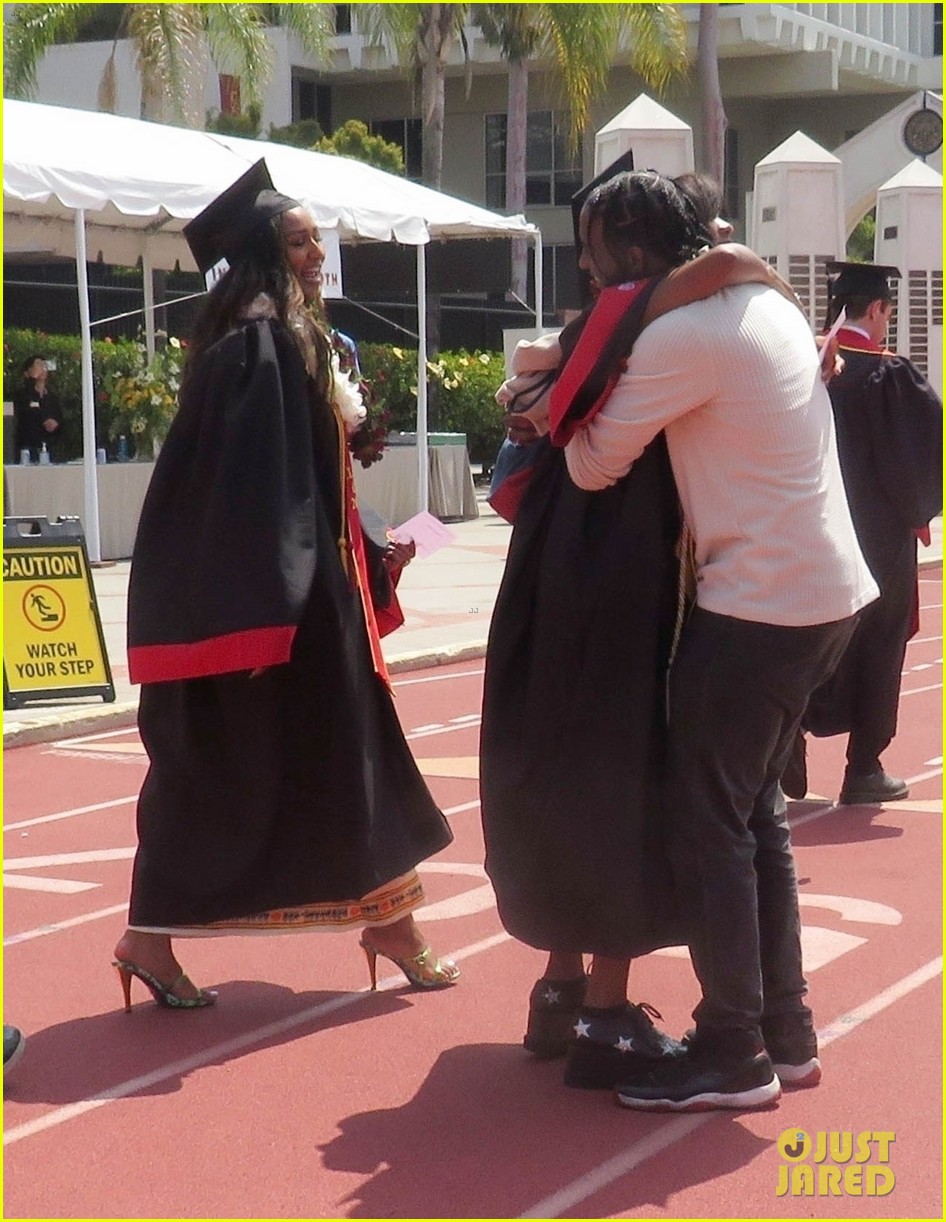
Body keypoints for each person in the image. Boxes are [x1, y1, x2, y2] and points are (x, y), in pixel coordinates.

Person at [481, 170, 803, 1091]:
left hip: (549, 583)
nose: (583, 261)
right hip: (628, 589)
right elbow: (603, 467)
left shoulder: (598, 334)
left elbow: (536, 418)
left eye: (590, 243)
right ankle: (607, 1015)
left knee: (562, 765)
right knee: (624, 779)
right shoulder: (654, 331)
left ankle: (560, 986)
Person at [563, 176, 879, 1112]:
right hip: (825, 596)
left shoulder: (681, 335)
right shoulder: (761, 304)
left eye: (593, 248)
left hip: (758, 609)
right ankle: (785, 1034)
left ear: (633, 248)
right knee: (755, 821)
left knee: (713, 829)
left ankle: (731, 1047)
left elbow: (593, 464)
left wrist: (550, 406)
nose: (585, 266)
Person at [113, 160, 458, 1010]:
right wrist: (273, 612)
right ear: (267, 252)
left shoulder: (282, 337)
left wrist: (372, 548)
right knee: (237, 773)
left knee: (337, 764)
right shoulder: (257, 347)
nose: (316, 255)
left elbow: (311, 481)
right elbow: (257, 494)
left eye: (316, 240)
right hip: (277, 607)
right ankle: (150, 940)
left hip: (308, 593)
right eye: (300, 241)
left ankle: (387, 921)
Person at [795, 263, 942, 806]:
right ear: (877, 309)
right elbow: (916, 456)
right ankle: (864, 769)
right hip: (878, 540)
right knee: (880, 641)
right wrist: (918, 511)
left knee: (806, 632)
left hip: (813, 526)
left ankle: (789, 735)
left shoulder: (811, 367)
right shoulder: (891, 375)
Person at [12, 355, 62, 462]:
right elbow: (25, 414)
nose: (42, 368)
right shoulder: (22, 394)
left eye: (44, 365)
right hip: (28, 447)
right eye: (38, 364)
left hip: (49, 447)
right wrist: (32, 379)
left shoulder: (52, 396)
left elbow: (59, 417)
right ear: (27, 372)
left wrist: (55, 423)